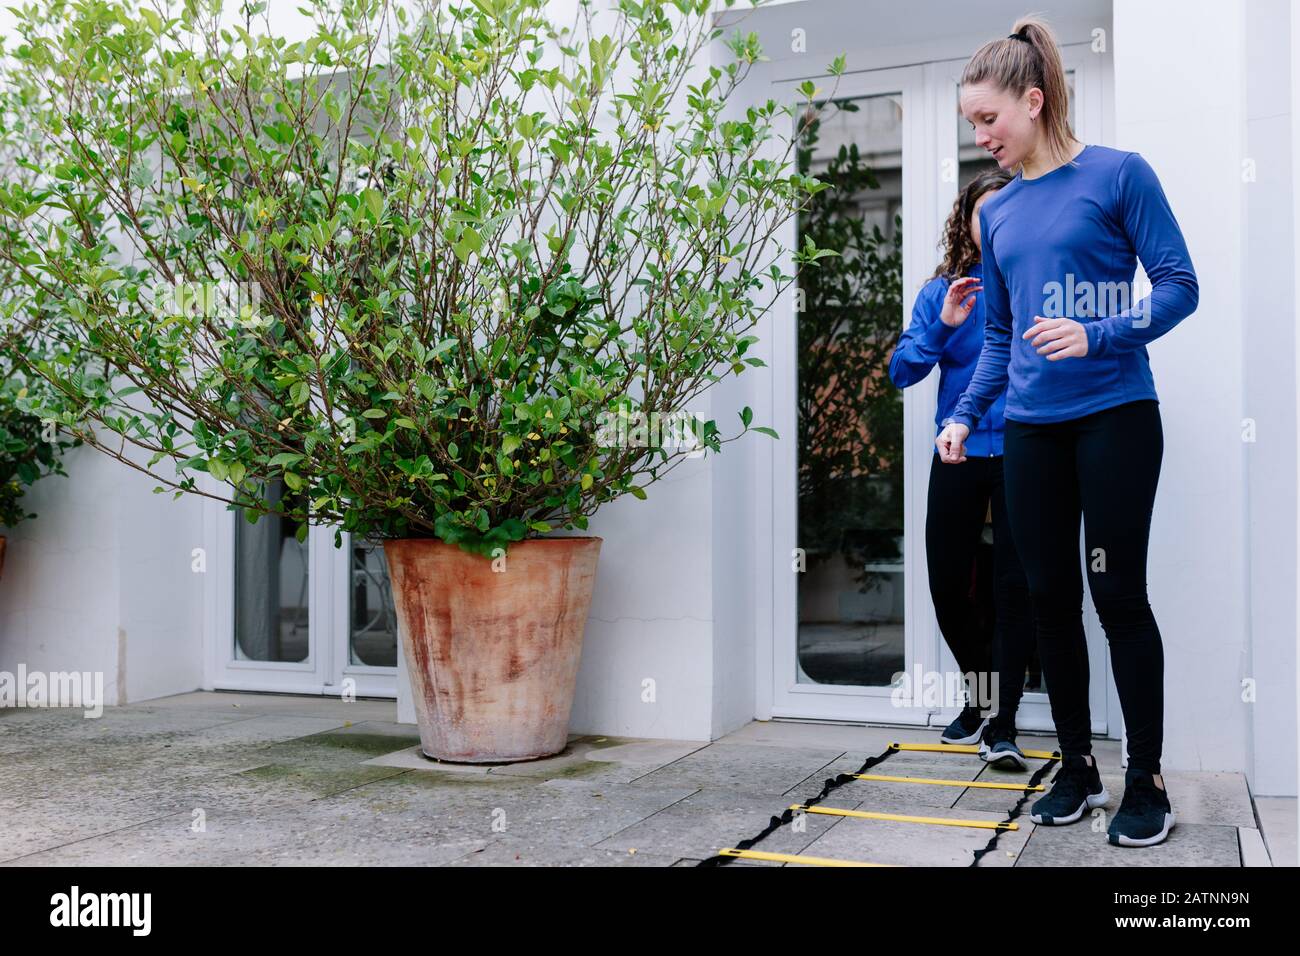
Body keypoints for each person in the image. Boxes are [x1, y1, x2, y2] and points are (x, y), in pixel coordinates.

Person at [939, 16, 1198, 848]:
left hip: (1117, 418)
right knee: (1050, 600)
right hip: (1031, 432)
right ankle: (1078, 767)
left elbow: (1179, 284)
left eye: (989, 120)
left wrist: (1102, 331)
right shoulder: (1001, 213)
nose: (982, 138)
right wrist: (963, 414)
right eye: (972, 124)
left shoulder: (1120, 176)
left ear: (1034, 99)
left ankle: (1146, 781)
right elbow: (1003, 339)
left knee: (1118, 596)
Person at [889, 168, 1037, 771]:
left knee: (1013, 584)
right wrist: (941, 328)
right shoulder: (942, 292)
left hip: (1026, 450)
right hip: (959, 449)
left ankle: (1001, 723)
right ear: (968, 222)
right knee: (948, 580)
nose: (995, 222)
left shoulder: (1037, 284)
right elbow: (902, 371)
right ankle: (981, 697)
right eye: (983, 212)